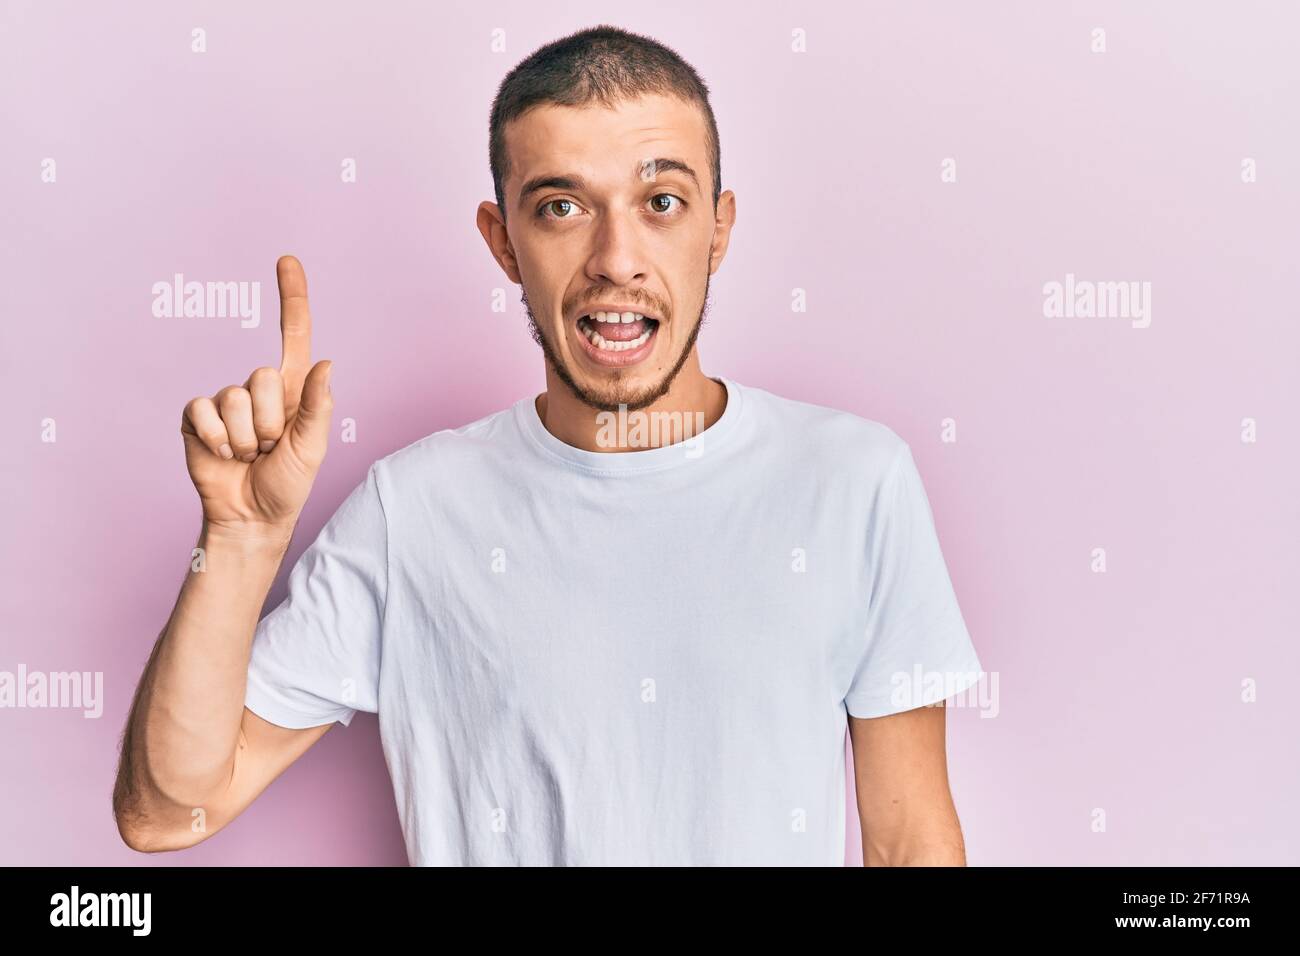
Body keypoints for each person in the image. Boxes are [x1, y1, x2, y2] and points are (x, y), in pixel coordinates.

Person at [113, 24, 984, 866]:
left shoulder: (852, 482)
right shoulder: (411, 511)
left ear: (717, 230)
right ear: (502, 243)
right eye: (562, 207)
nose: (616, 258)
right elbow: (165, 813)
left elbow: (909, 847)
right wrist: (236, 542)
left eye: (662, 203)